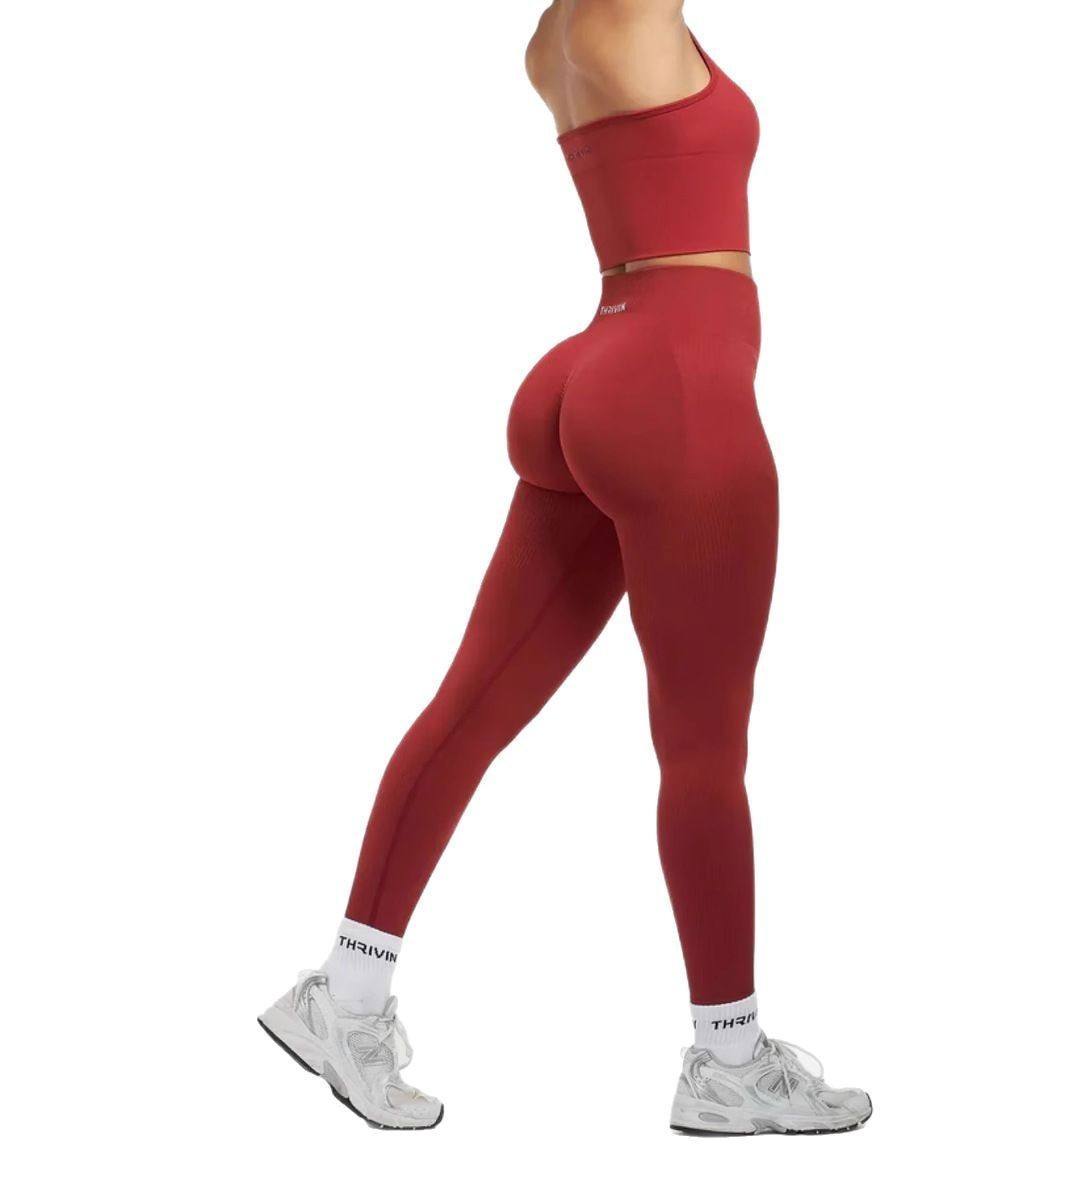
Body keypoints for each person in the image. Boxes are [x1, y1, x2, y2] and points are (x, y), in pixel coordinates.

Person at [258, 0, 871, 1136]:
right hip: (678, 387)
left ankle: (344, 995)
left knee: (470, 706)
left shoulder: (552, 38)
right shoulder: (631, 16)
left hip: (591, 368)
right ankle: (728, 1059)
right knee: (703, 750)